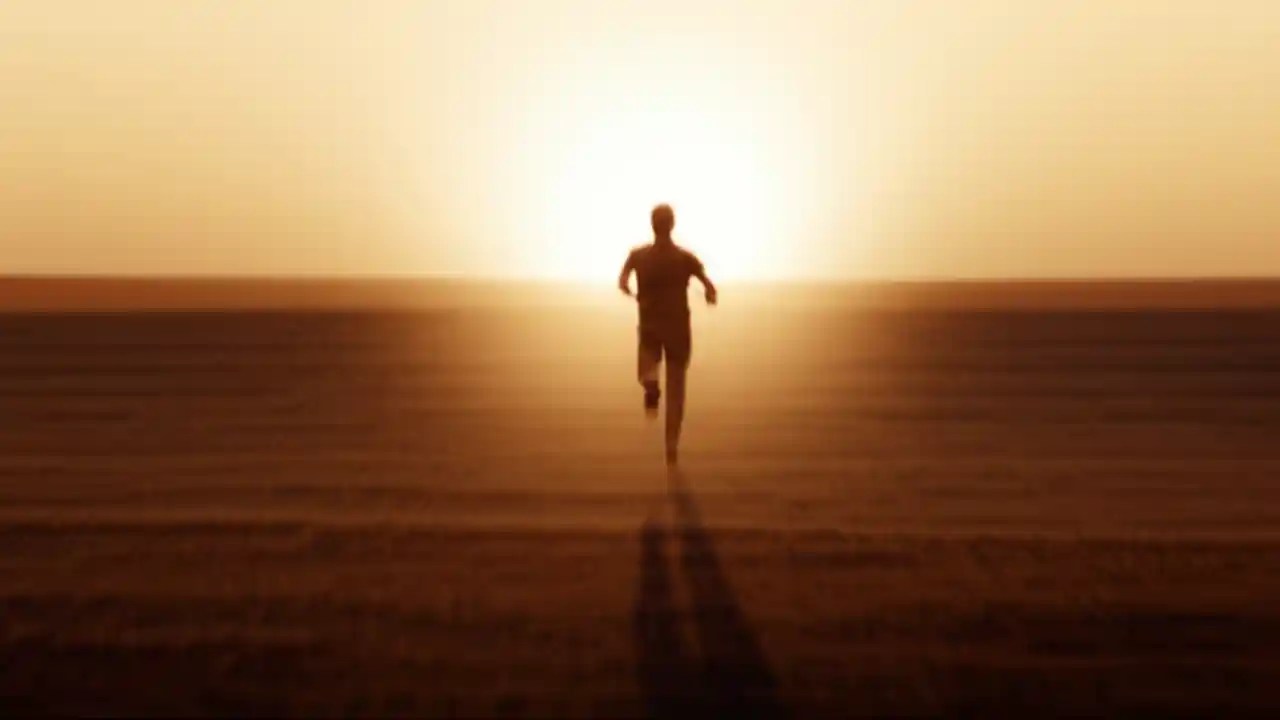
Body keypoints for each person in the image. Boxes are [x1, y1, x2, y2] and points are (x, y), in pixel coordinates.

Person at [618, 204, 717, 465]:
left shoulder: (638, 256)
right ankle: (671, 444)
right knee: (677, 390)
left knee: (648, 368)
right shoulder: (685, 258)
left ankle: (651, 386)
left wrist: (629, 291)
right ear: (672, 225)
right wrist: (709, 293)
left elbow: (622, 281)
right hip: (677, 331)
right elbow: (708, 284)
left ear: (653, 225)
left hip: (651, 328)